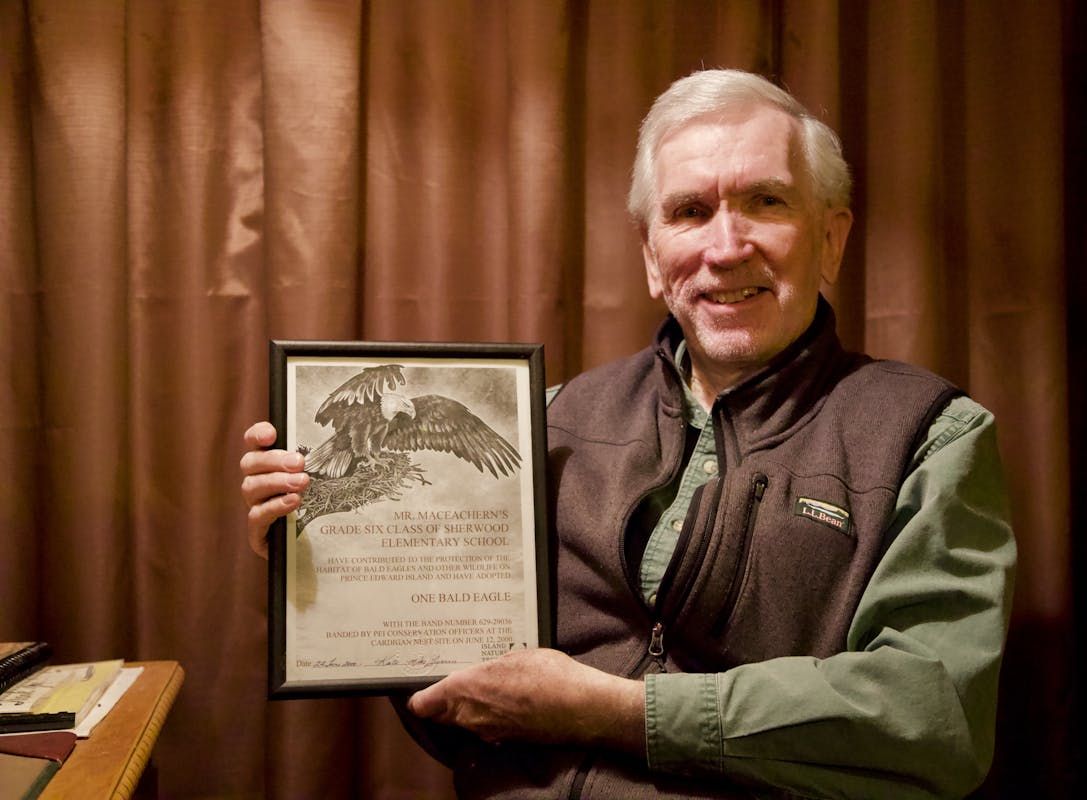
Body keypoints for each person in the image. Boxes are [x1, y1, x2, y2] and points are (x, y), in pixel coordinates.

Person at [241, 69, 1016, 799]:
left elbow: (930, 719)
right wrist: (326, 545)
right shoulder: (542, 421)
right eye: (689, 212)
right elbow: (446, 687)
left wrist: (616, 711)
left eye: (767, 202)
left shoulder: (932, 437)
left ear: (831, 240)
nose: (724, 247)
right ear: (652, 257)